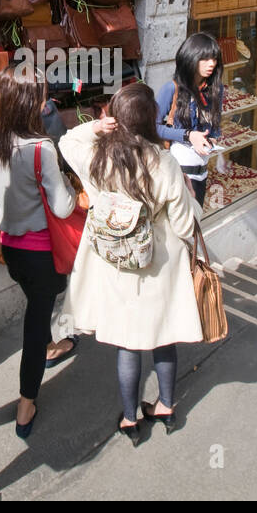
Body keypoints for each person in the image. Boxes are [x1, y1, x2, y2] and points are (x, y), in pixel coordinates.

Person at [60, 83, 203, 444]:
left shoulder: (96, 157)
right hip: (160, 263)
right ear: (152, 119)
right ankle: (167, 407)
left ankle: (129, 418)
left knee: (128, 343)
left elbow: (65, 143)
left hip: (116, 263)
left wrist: (94, 127)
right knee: (164, 338)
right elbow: (186, 226)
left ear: (114, 118)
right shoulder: (165, 163)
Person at [0, 66, 81, 438]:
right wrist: (75, 192)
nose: (45, 102)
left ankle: (53, 344)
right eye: (40, 95)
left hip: (9, 248)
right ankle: (26, 402)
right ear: (28, 102)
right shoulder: (40, 148)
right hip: (42, 252)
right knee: (35, 321)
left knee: (37, 306)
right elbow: (60, 206)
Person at [155, 32, 224, 207]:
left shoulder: (215, 89)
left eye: (214, 59)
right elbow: (152, 127)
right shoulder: (171, 89)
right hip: (177, 171)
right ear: (191, 57)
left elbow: (215, 125)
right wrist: (188, 135)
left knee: (195, 221)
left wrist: (213, 139)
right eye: (205, 59)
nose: (211, 64)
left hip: (202, 170)